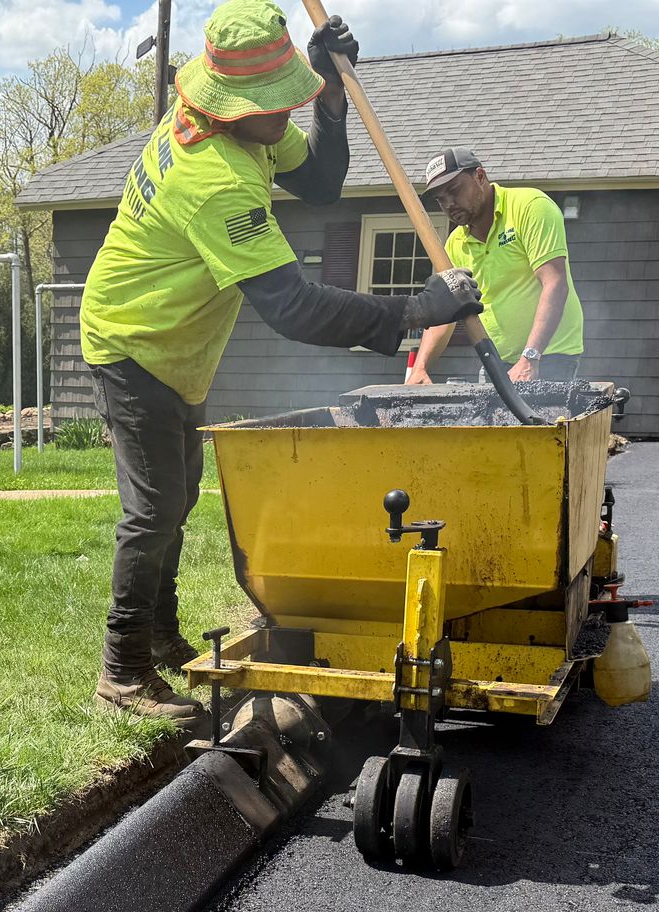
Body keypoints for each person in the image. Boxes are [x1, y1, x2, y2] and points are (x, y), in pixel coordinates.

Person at [79, 0, 484, 720]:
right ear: (233, 108)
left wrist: (330, 97)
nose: (284, 113)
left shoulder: (246, 131)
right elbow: (295, 310)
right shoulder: (213, 179)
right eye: (280, 104)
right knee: (155, 510)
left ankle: (162, 635)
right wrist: (416, 312)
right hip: (132, 341)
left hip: (177, 345)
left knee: (177, 495)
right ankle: (122, 671)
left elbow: (322, 183)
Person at [405, 149, 585, 386]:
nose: (449, 203)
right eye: (440, 199)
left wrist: (530, 357)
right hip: (496, 361)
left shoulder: (530, 207)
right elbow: (444, 311)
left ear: (480, 176)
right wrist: (421, 367)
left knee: (542, 422)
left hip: (549, 356)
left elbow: (555, 284)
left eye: (454, 190)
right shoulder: (456, 244)